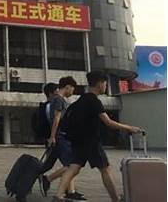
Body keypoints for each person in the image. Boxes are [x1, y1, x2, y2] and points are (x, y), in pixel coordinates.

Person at [52, 71, 142, 202]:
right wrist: (130, 128)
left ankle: (58, 195)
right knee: (105, 169)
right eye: (105, 83)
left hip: (77, 140)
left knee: (73, 167)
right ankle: (116, 199)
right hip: (91, 141)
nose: (105, 86)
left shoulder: (80, 100)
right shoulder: (94, 101)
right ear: (100, 83)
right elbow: (108, 122)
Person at [39, 77, 86, 200]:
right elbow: (56, 119)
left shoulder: (55, 99)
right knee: (72, 165)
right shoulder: (59, 100)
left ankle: (71, 191)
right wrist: (52, 137)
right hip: (60, 137)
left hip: (59, 137)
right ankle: (48, 179)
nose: (72, 92)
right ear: (67, 87)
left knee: (68, 163)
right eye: (72, 89)